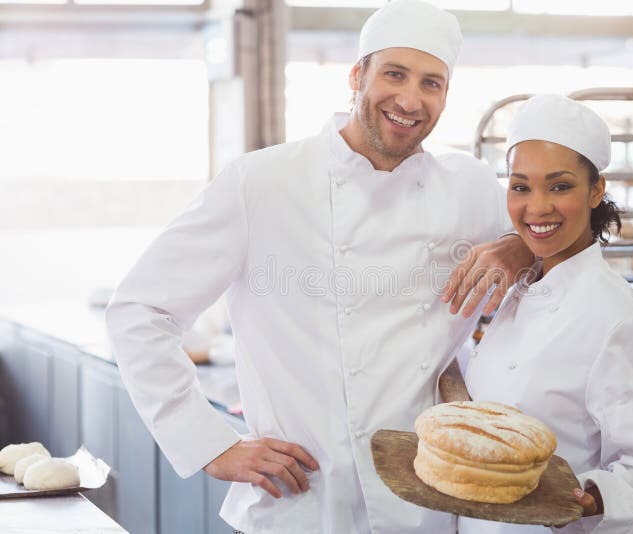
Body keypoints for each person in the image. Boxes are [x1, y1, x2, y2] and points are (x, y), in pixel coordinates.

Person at [105, 1, 533, 533]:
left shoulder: (467, 186)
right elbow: (138, 310)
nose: (410, 99)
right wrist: (208, 443)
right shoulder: (262, 183)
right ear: (356, 76)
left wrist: (521, 249)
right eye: (394, 74)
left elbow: (549, 288)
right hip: (300, 503)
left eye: (431, 83)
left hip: (427, 507)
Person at [457, 94, 633, 533]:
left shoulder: (622, 320)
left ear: (596, 189)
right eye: (521, 186)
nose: (537, 207)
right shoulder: (518, 294)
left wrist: (581, 497)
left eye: (559, 186)